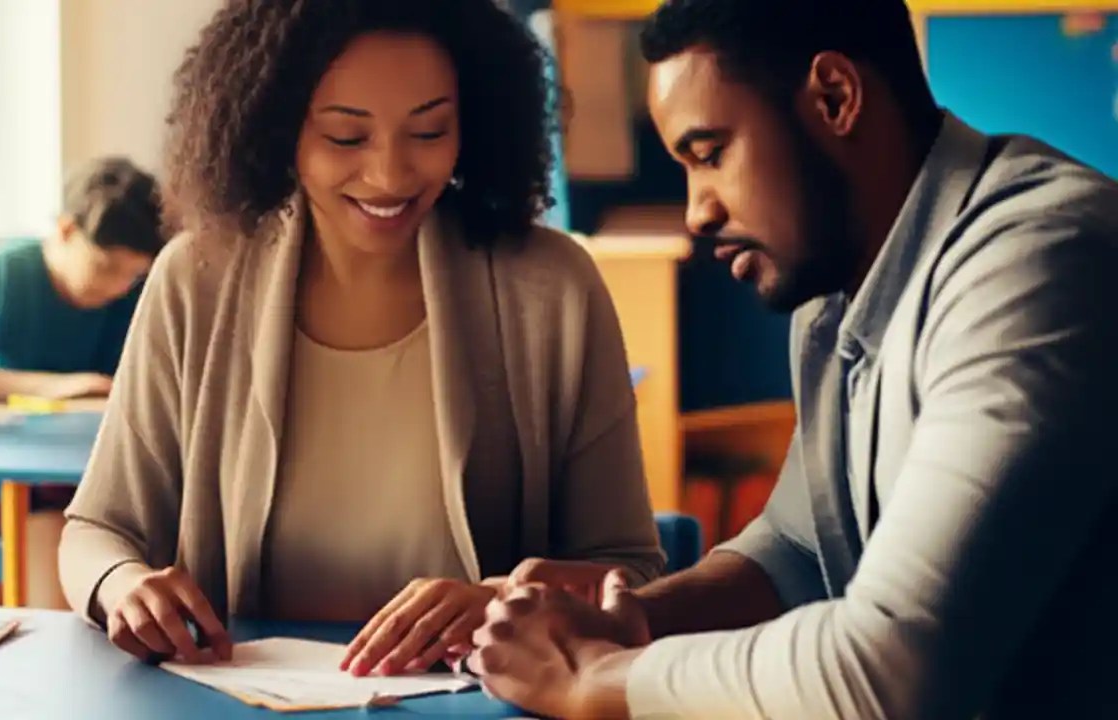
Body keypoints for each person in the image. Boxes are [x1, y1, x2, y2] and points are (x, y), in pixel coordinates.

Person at [471, 0, 1118, 717]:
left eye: (710, 153)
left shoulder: (1039, 260)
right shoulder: (838, 286)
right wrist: (633, 622)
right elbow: (800, 551)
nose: (696, 212)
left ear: (835, 99)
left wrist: (597, 678)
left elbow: (891, 671)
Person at [59, 0, 663, 676]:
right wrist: (124, 586)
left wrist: (504, 601)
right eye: (347, 138)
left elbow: (629, 569)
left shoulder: (553, 289)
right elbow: (97, 531)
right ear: (277, 125)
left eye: (430, 131)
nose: (390, 175)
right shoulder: (198, 279)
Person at [0, 156, 165, 401]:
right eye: (106, 268)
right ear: (66, 229)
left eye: (134, 274)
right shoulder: (5, 274)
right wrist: (51, 387)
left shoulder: (139, 291)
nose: (120, 287)